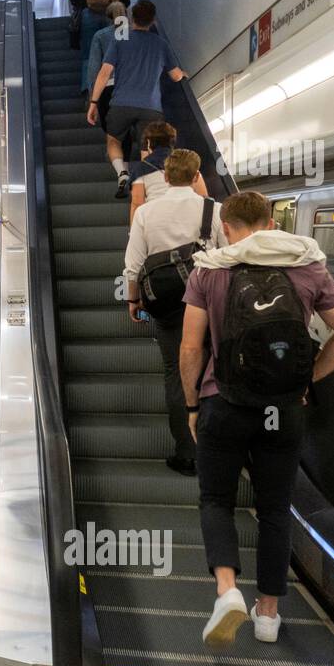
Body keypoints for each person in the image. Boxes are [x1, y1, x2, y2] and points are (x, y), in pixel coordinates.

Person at [180, 191, 334, 648]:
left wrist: (190, 404)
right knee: (275, 509)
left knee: (216, 500)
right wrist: (307, 380)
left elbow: (189, 348)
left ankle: (227, 591)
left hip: (223, 403)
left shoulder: (211, 268)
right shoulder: (307, 264)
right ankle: (268, 613)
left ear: (226, 227)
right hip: (282, 410)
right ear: (270, 222)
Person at [124, 150, 226, 477]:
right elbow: (228, 259)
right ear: (197, 176)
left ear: (165, 178)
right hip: (209, 304)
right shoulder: (216, 211)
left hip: (167, 304)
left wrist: (133, 300)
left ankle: (187, 453)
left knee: (176, 374)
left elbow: (134, 264)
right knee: (215, 368)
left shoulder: (146, 213)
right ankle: (219, 450)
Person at [87, 0, 188, 198]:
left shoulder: (120, 40)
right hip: (151, 107)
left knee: (113, 140)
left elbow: (104, 72)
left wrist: (93, 102)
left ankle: (122, 173)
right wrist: (183, 73)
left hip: (120, 104)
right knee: (147, 149)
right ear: (153, 21)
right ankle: (148, 190)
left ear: (132, 17)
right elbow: (175, 76)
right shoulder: (161, 44)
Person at [127, 121, 207, 216]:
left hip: (156, 217)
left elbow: (137, 203)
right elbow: (204, 197)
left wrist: (133, 230)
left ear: (148, 142)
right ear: (172, 140)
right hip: (187, 217)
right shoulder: (186, 162)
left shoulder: (141, 169)